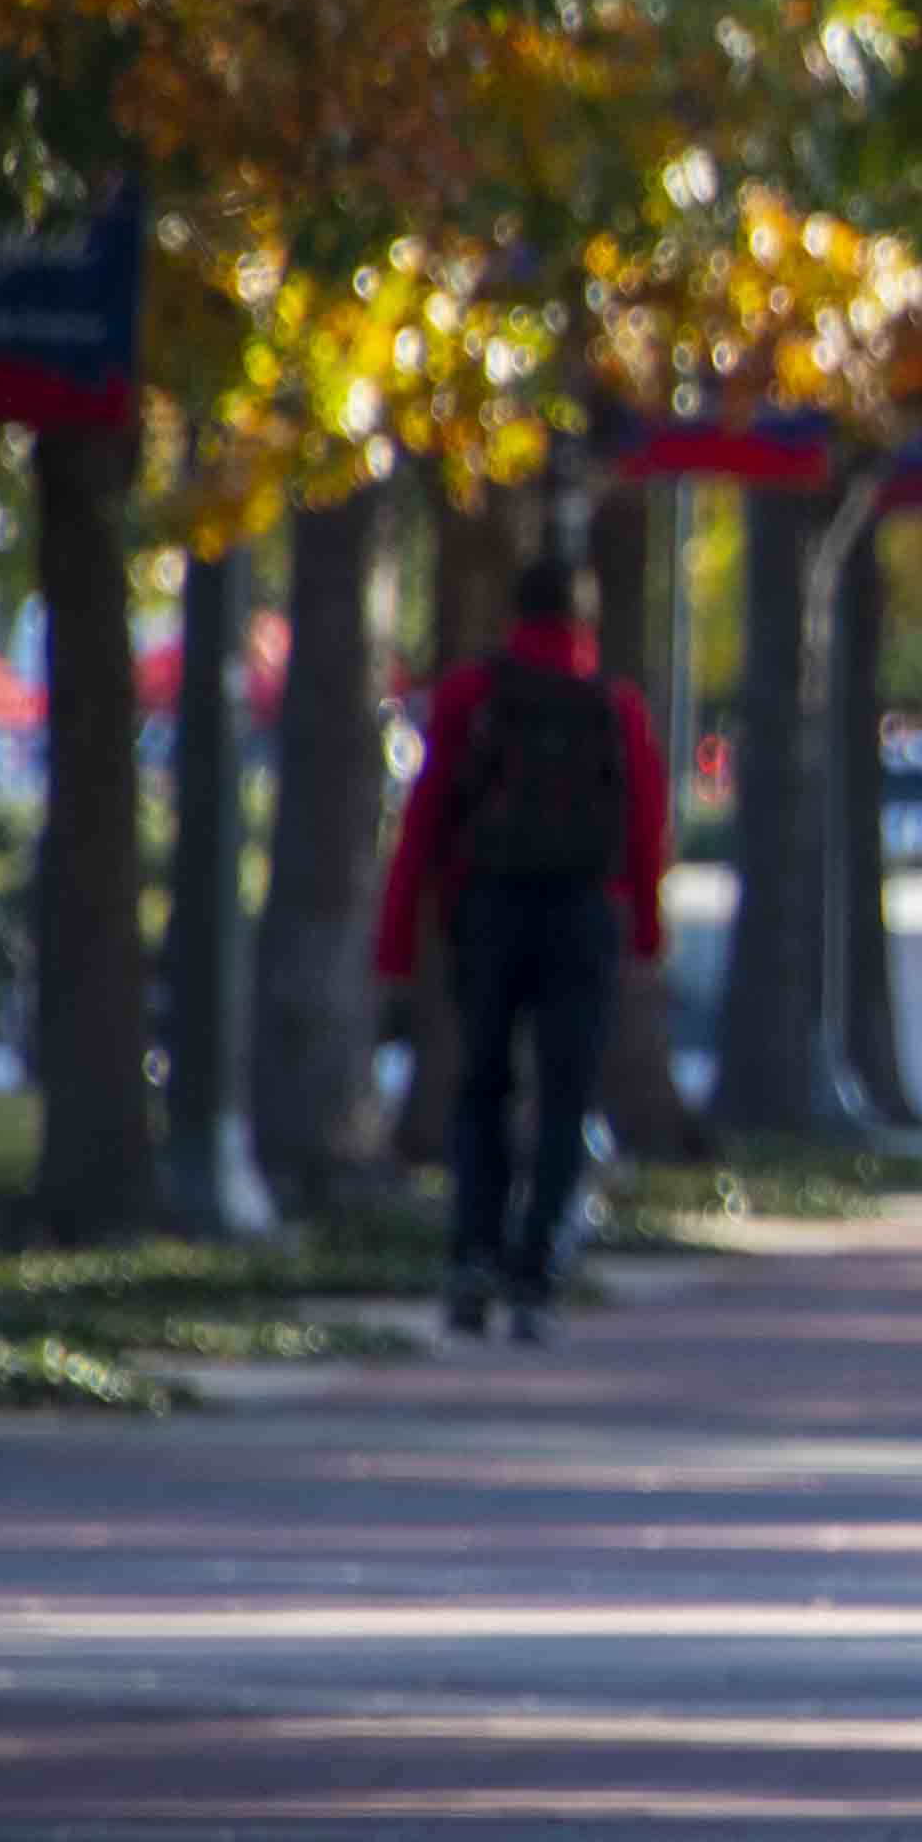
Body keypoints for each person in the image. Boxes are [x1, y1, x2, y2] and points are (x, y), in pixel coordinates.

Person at [369, 553, 669, 1342]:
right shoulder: (615, 703)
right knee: (566, 1099)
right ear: (585, 620)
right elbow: (644, 828)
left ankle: (472, 1255)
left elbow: (426, 819)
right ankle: (537, 1276)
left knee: (483, 1088)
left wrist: (400, 939)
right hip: (582, 917)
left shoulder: (474, 694)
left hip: (489, 910)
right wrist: (645, 934)